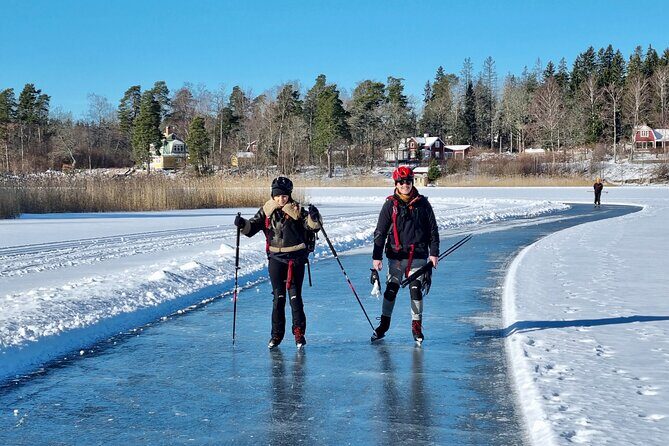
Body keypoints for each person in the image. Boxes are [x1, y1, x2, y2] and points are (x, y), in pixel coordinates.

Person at [234, 176, 321, 349]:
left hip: (295, 260)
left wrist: (313, 216)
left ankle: (299, 335)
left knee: (295, 299)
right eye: (278, 195)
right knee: (278, 299)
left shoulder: (297, 209)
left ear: (289, 195)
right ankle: (276, 336)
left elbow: (312, 226)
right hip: (276, 260)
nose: (282, 199)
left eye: (285, 195)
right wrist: (242, 224)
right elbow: (252, 228)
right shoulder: (266, 211)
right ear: (273, 195)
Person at [371, 166, 440, 344]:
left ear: (412, 182)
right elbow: (380, 232)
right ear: (396, 184)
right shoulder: (390, 205)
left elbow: (433, 230)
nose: (405, 185)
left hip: (417, 255)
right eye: (401, 182)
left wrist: (434, 253)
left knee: (416, 290)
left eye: (408, 182)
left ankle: (416, 327)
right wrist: (377, 256)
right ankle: (384, 325)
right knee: (391, 291)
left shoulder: (423, 204)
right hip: (395, 256)